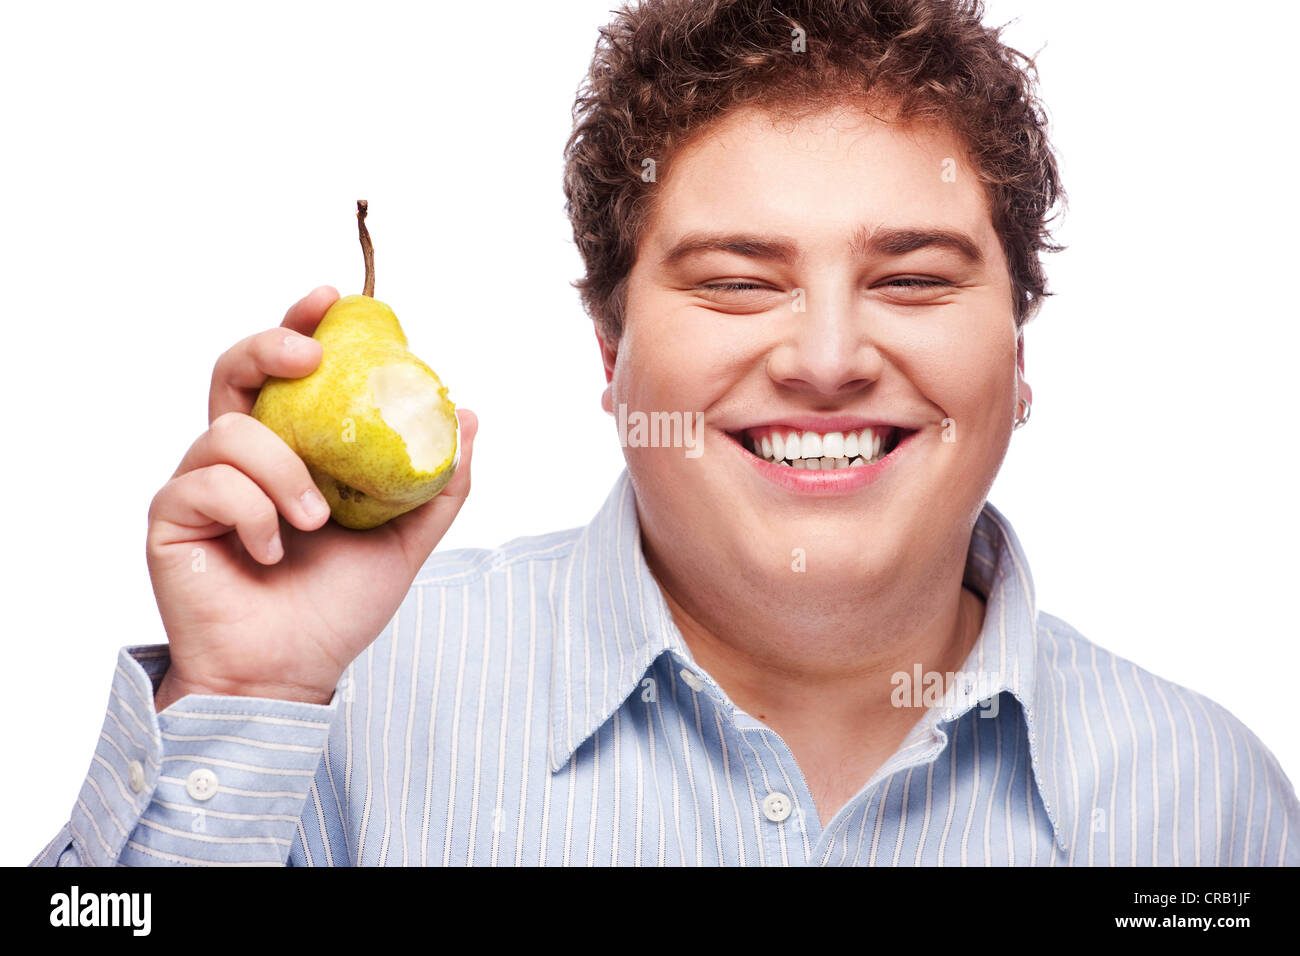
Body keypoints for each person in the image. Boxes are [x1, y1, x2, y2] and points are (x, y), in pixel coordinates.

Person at [32, 0, 1298, 867]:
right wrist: (241, 698)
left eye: (912, 279)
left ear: (1017, 356)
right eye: (739, 281)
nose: (824, 357)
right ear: (608, 353)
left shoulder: (1206, 801)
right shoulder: (337, 708)